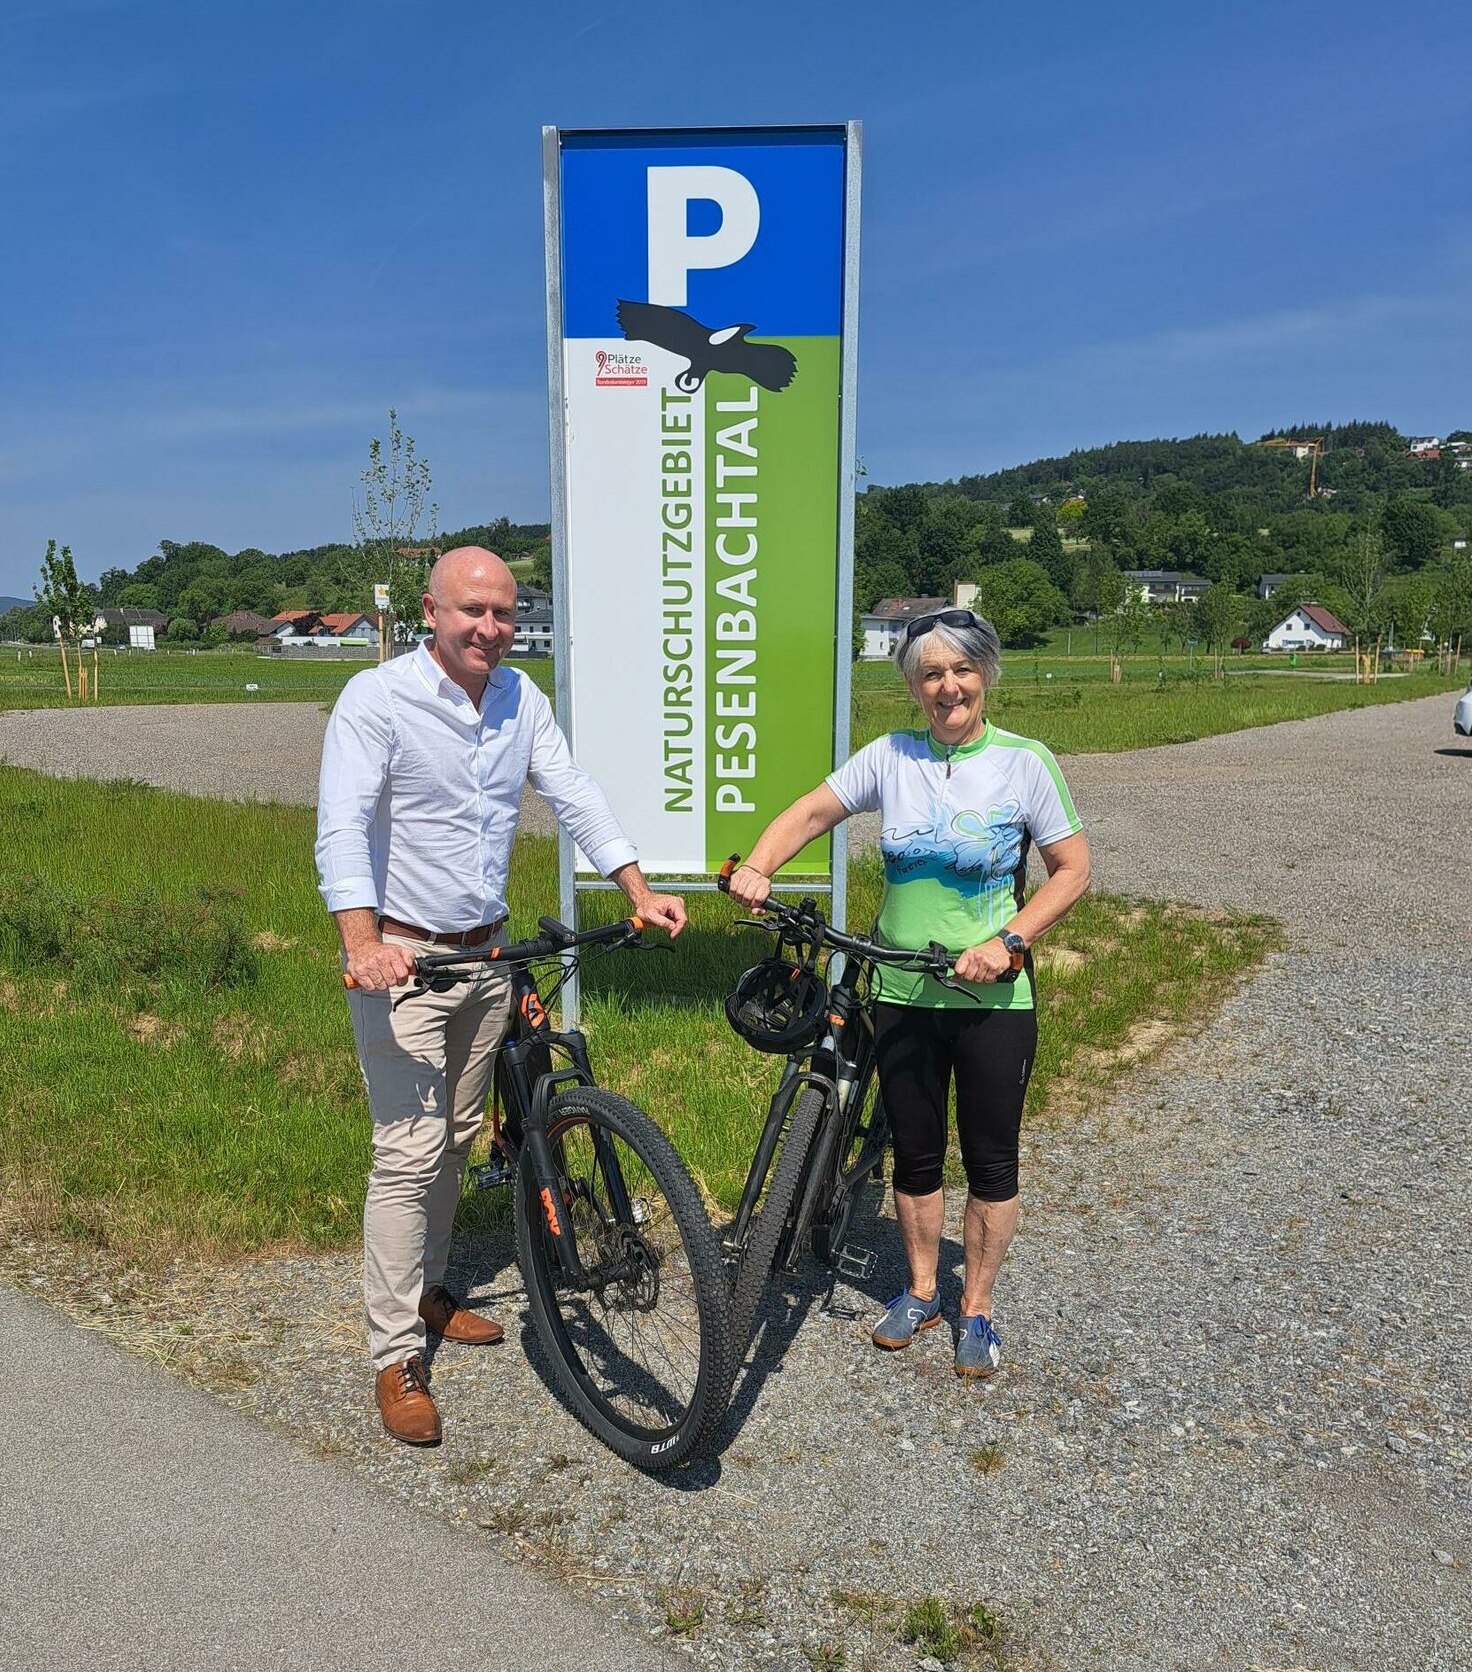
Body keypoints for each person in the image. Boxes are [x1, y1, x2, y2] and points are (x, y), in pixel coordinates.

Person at [316, 546, 685, 1445]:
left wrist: (635, 889)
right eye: (471, 611)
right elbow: (341, 823)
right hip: (403, 959)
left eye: (505, 613)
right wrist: (362, 943)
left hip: (486, 958)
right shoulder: (377, 700)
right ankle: (394, 1354)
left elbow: (575, 795)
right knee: (407, 1152)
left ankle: (432, 1288)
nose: (489, 628)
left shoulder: (522, 699)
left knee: (452, 1140)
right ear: (430, 612)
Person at [727, 608, 1089, 1378]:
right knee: (916, 1154)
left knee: (992, 1161)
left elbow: (1073, 870)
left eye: (960, 670)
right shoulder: (890, 756)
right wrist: (760, 862)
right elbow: (814, 810)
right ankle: (922, 1288)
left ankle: (978, 1308)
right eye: (931, 673)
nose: (947, 686)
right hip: (899, 989)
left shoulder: (1025, 763)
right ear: (913, 686)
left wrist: (1009, 942)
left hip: (992, 1001)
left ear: (985, 674)